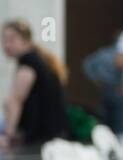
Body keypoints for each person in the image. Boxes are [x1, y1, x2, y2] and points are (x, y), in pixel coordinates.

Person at [2, 18, 72, 148]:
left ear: (25, 40)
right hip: (54, 134)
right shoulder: (39, 59)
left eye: (11, 40)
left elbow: (14, 101)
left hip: (42, 137)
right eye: (4, 40)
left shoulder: (28, 62)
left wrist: (8, 136)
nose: (6, 45)